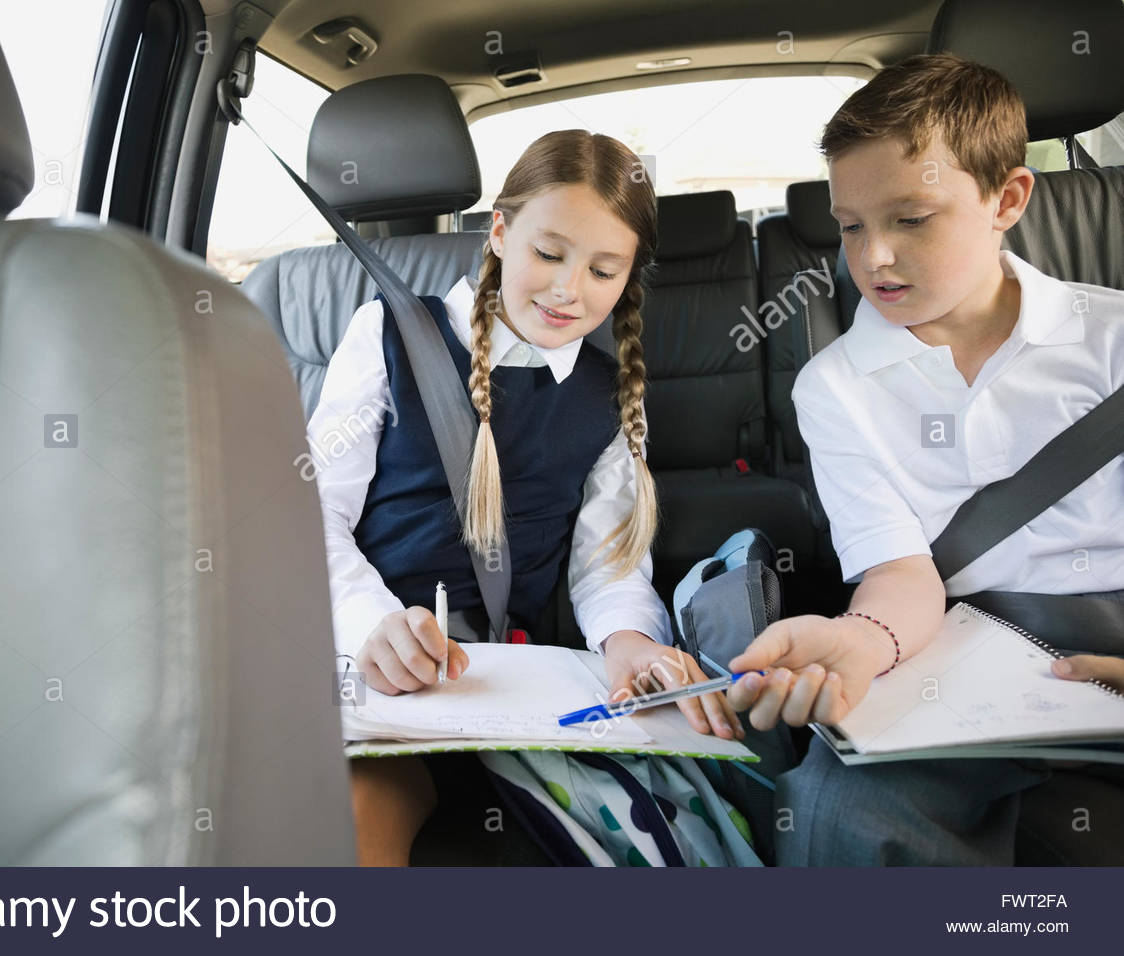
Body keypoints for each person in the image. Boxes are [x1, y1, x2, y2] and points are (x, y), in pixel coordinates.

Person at [724, 54, 1124, 865]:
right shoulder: (833, 388)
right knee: (842, 810)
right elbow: (902, 571)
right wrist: (864, 639)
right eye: (851, 225)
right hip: (961, 646)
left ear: (1006, 199)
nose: (872, 258)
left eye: (912, 219)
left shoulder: (1112, 339)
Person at [310, 129, 747, 866]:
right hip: (375, 673)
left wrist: (629, 642)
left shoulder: (607, 394)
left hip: (510, 686)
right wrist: (372, 623)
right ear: (502, 232)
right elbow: (309, 516)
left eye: (604, 270)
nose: (568, 290)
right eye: (549, 254)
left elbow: (605, 563)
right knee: (354, 817)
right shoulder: (388, 334)